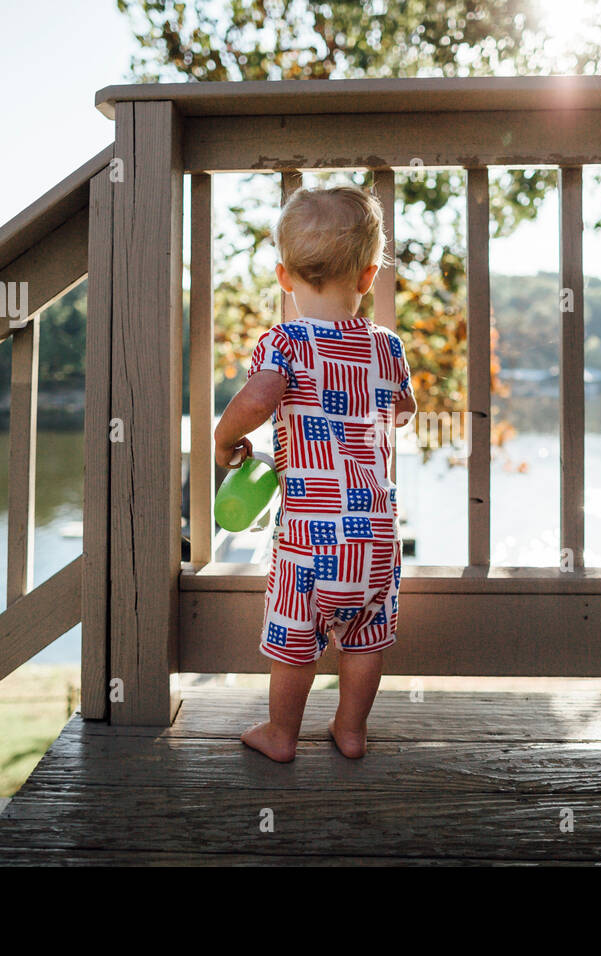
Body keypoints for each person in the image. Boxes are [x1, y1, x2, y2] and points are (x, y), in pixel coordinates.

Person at [214, 184, 416, 762]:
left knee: (294, 644)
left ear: (284, 276)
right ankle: (351, 731)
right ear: (367, 277)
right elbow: (404, 411)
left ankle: (282, 735)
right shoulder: (387, 347)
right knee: (364, 640)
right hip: (376, 534)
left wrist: (226, 438)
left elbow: (261, 394)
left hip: (311, 539)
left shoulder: (284, 343)